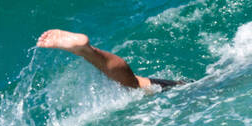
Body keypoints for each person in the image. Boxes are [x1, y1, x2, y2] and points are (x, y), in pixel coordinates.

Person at [36, 29, 185, 91]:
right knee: (137, 85)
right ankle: (87, 51)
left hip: (189, 89)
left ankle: (89, 52)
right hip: (197, 93)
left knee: (137, 84)